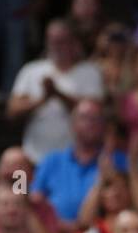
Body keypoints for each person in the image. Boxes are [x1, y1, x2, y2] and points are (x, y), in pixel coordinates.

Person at [7, 19, 106, 164]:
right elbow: (12, 111)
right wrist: (42, 100)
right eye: (52, 41)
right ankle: (18, 188)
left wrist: (57, 94)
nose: (56, 46)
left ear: (73, 42)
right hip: (32, 159)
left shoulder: (90, 71)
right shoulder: (31, 70)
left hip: (73, 162)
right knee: (14, 171)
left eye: (61, 41)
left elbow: (95, 113)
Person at [32, 98, 129, 233]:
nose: (90, 123)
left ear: (104, 126)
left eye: (96, 118)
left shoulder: (118, 160)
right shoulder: (52, 161)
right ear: (72, 124)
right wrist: (58, 225)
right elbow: (35, 202)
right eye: (84, 118)